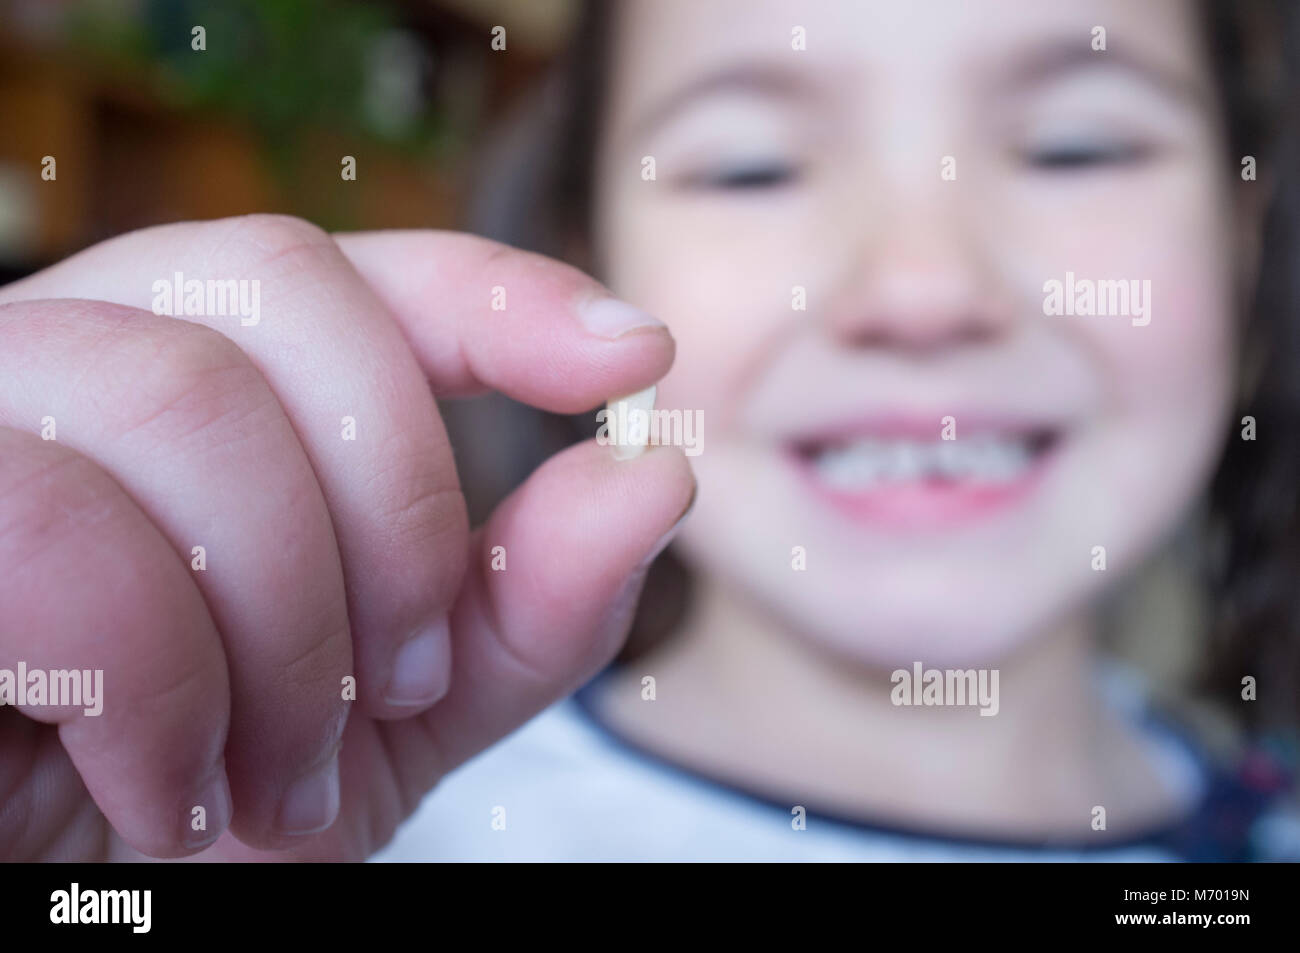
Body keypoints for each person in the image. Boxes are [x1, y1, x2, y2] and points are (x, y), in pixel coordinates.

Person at [2, 0, 1296, 862]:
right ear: (588, 252)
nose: (925, 291)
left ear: (1245, 239)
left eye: (1078, 148)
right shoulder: (322, 824)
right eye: (750, 168)